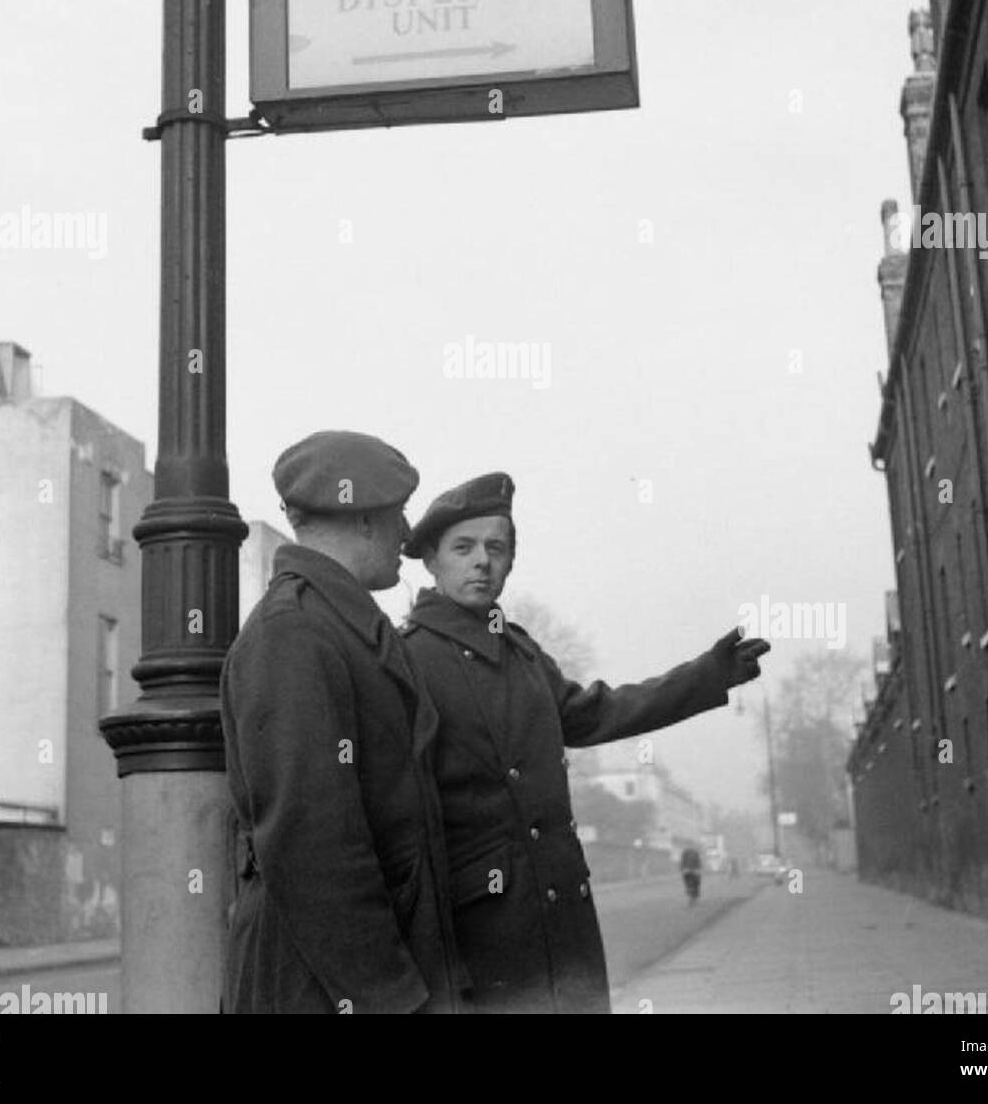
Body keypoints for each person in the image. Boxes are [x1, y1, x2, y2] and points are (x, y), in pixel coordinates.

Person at [399, 472, 769, 1014]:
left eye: (496, 548)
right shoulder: (409, 660)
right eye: (464, 547)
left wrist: (709, 675)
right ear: (431, 560)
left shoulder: (522, 654)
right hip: (485, 936)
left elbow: (596, 713)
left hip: (565, 921)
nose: (482, 561)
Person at [220, 430, 469, 1014]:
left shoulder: (338, 625)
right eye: (398, 515)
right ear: (362, 520)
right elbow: (312, 846)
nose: (407, 535)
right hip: (324, 983)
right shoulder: (295, 633)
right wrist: (390, 997)